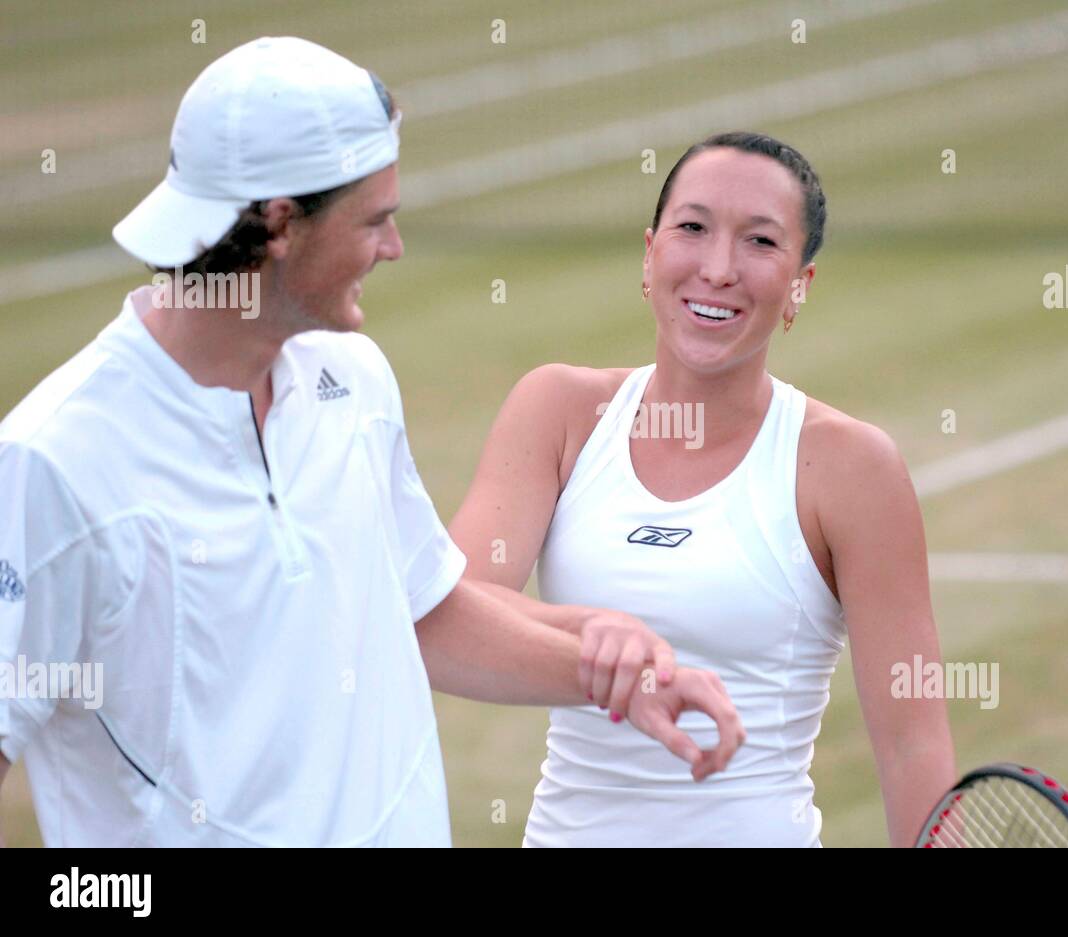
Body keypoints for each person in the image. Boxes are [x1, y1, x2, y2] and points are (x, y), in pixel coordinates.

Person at [0, 37, 743, 848]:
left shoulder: (351, 379)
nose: (394, 248)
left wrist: (612, 681)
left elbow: (420, 615)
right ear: (280, 224)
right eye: (375, 221)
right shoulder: (52, 463)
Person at [450, 131, 957, 847]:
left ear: (800, 285)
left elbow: (915, 751)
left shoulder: (853, 466)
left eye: (760, 242)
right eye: (693, 228)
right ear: (650, 253)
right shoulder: (555, 410)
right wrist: (606, 656)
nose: (718, 268)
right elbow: (453, 614)